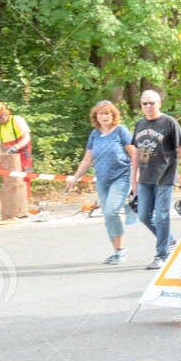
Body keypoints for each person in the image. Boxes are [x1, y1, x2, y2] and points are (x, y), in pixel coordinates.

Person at [65, 101, 135, 265]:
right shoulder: (94, 135)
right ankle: (118, 251)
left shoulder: (120, 131)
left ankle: (121, 249)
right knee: (108, 216)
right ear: (96, 116)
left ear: (113, 115)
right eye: (100, 113)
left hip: (122, 177)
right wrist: (74, 178)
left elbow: (134, 153)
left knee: (111, 211)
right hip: (102, 180)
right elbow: (88, 159)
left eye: (107, 113)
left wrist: (136, 176)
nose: (104, 116)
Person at [129, 90, 181, 269]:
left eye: (152, 103)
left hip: (165, 176)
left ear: (159, 104)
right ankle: (170, 240)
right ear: (141, 105)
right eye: (144, 103)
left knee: (162, 215)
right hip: (145, 178)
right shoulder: (139, 124)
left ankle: (161, 255)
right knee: (144, 215)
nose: (148, 106)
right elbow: (136, 154)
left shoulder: (169, 123)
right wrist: (133, 178)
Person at [0, 101, 39, 215]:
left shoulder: (17, 120)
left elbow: (27, 137)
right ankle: (12, 203)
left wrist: (16, 147)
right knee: (9, 177)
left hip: (22, 149)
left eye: (0, 118)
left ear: (5, 113)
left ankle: (25, 201)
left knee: (25, 175)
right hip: (7, 153)